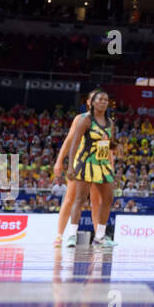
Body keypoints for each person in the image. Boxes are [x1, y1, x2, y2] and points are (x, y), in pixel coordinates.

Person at [52, 89, 115, 247]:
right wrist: (60, 161)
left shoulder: (108, 121)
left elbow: (106, 146)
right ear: (89, 102)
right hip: (82, 163)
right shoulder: (81, 119)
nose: (102, 102)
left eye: (105, 99)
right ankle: (60, 235)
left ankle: (98, 236)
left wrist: (110, 163)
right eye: (96, 99)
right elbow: (69, 141)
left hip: (99, 163)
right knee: (70, 199)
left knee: (97, 201)